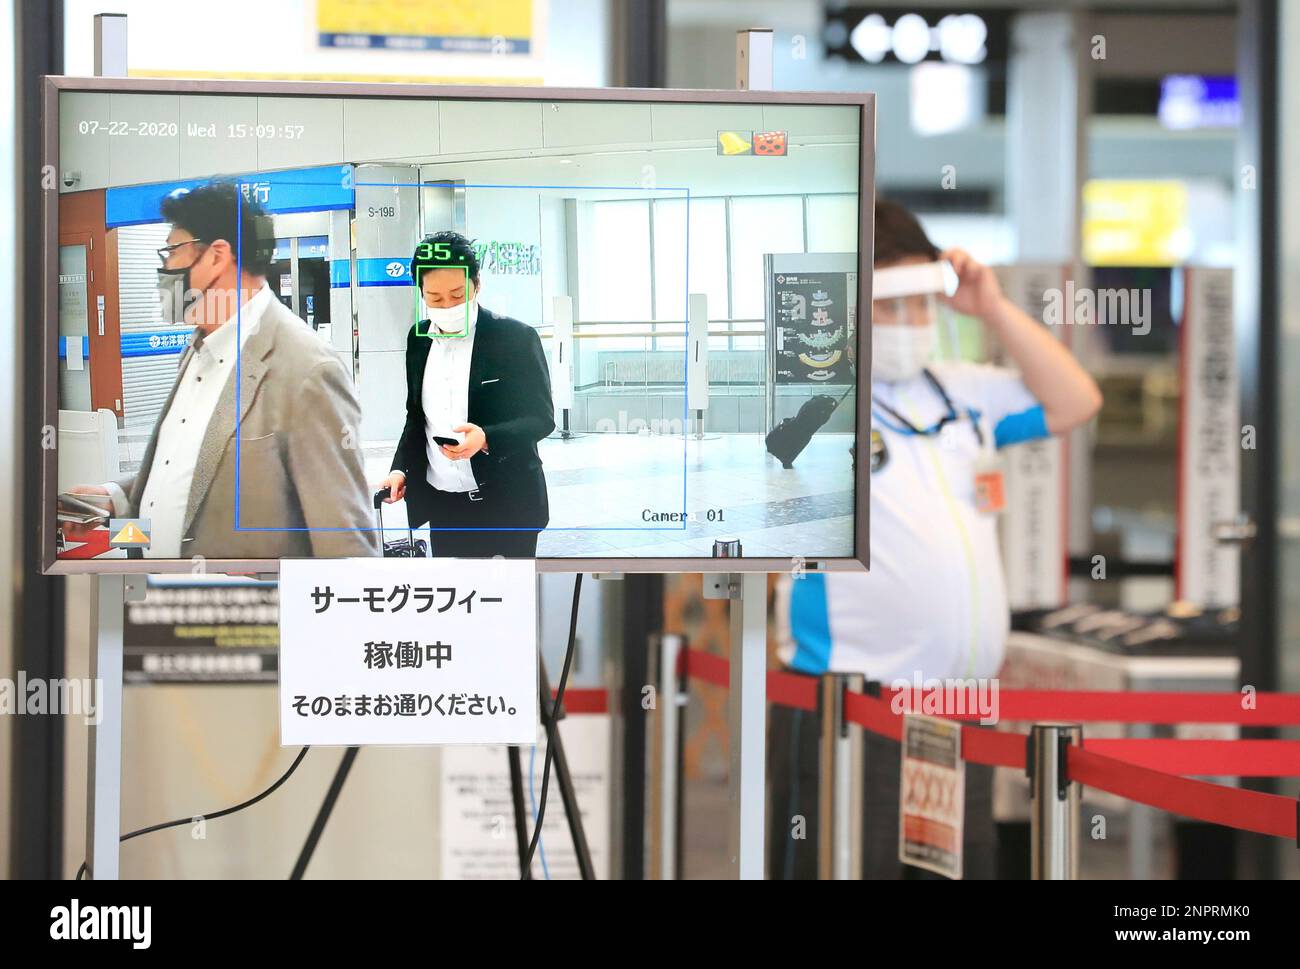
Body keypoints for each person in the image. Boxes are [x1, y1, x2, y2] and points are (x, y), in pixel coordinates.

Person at [768, 199, 1103, 879]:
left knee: (955, 869)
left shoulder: (962, 394)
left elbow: (1076, 401)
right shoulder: (818, 405)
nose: (910, 323)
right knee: (843, 863)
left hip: (957, 706)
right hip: (850, 702)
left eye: (921, 303)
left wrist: (992, 310)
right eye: (889, 305)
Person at [63, 182, 379, 560]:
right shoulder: (197, 349)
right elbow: (193, 472)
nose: (164, 269)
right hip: (164, 592)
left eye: (172, 251)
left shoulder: (307, 369)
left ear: (216, 256)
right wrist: (114, 499)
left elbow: (346, 549)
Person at [382, 232, 554, 557]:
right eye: (435, 298)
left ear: (476, 285)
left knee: (508, 589)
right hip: (445, 509)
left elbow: (541, 418)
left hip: (508, 505)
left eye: (457, 294)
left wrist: (486, 437)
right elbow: (416, 417)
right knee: (455, 589)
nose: (447, 305)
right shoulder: (418, 339)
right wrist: (400, 469)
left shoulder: (515, 338)